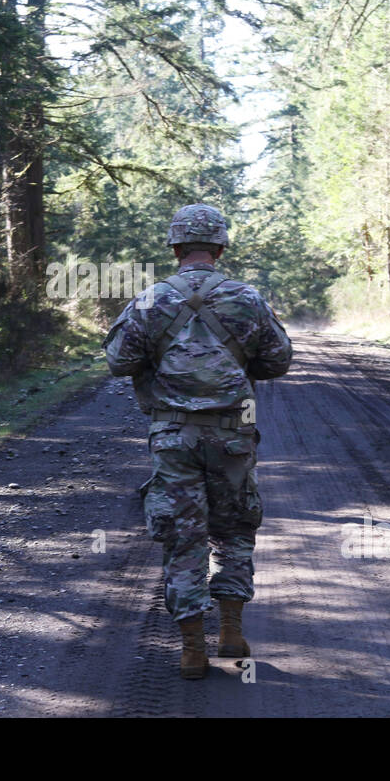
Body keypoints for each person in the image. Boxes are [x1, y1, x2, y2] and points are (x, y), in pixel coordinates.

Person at [104, 204, 292, 678]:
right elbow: (277, 361)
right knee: (233, 530)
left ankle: (192, 649)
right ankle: (231, 629)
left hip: (173, 437)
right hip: (232, 435)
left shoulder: (150, 299)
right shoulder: (247, 298)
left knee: (182, 535)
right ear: (221, 247)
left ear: (175, 248)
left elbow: (118, 361)